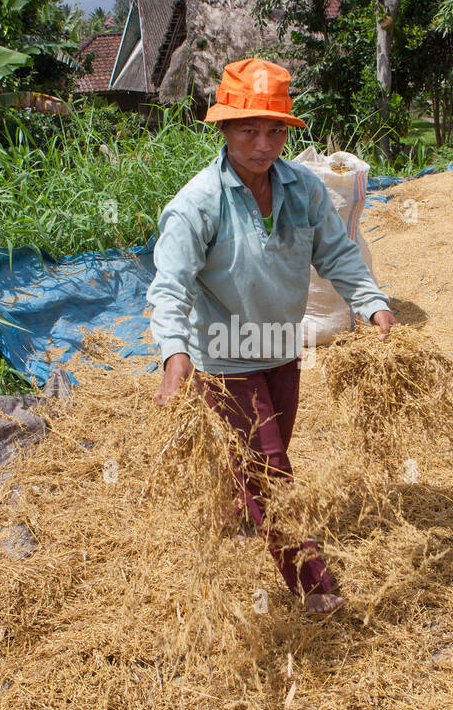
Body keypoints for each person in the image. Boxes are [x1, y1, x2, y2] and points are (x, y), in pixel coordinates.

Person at [147, 57, 397, 615]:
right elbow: (170, 288)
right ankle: (313, 586)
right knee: (271, 469)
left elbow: (337, 253)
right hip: (226, 355)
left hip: (284, 350)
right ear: (223, 130)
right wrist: (174, 356)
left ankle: (234, 515)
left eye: (275, 129)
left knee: (265, 451)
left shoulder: (303, 188)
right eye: (248, 129)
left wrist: (373, 305)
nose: (263, 144)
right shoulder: (197, 205)